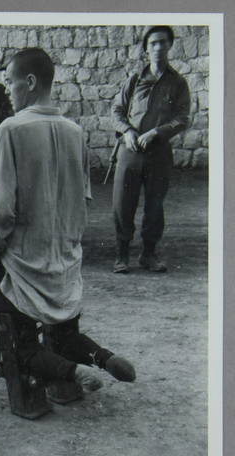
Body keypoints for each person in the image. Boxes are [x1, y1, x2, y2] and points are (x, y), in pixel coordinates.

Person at [0, 48, 135, 394]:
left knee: (11, 329)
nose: (8, 91)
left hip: (24, 267)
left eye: (10, 82)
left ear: (31, 82)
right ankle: (103, 356)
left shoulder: (10, 129)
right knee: (66, 333)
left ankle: (69, 373)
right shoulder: (74, 131)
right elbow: (82, 203)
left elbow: (1, 211)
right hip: (64, 265)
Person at [111, 25, 191, 273]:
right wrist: (127, 131)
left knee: (155, 206)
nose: (158, 47)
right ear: (146, 48)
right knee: (123, 204)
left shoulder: (177, 83)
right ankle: (122, 255)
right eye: (153, 43)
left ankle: (149, 254)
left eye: (163, 42)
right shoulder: (134, 80)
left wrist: (157, 132)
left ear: (170, 46)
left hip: (158, 154)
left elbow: (182, 118)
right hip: (130, 152)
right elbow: (116, 111)